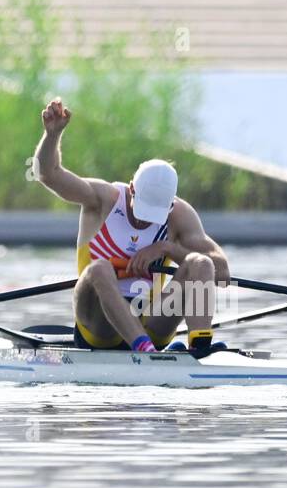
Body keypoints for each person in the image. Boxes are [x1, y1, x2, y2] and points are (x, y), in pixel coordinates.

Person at [33, 97, 230, 353]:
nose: (146, 219)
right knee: (99, 269)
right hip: (99, 327)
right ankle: (143, 350)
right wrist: (52, 135)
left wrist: (167, 249)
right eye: (142, 209)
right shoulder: (102, 199)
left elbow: (222, 273)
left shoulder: (180, 214)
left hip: (153, 321)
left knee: (200, 263)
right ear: (132, 188)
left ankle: (200, 347)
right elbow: (48, 174)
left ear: (170, 204)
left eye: (155, 213)